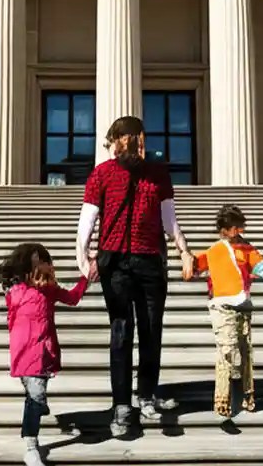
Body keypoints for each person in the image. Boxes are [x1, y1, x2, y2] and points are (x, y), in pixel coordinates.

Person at [75, 115, 195, 437]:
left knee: (151, 330)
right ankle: (121, 406)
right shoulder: (101, 174)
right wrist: (82, 257)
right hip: (115, 263)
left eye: (137, 138)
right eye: (125, 138)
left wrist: (184, 251)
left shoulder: (158, 175)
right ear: (114, 141)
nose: (132, 144)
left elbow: (169, 220)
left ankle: (146, 395)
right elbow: (87, 219)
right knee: (121, 332)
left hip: (150, 262)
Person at [0, 242, 96, 466]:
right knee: (35, 393)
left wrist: (86, 276)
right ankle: (31, 444)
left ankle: (33, 432)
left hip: (44, 351)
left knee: (36, 392)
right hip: (23, 351)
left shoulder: (50, 289)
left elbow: (73, 297)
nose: (44, 267)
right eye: (38, 263)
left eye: (46, 263)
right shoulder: (15, 291)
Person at [186, 205, 263, 418]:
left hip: (243, 305)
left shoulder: (247, 250)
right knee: (227, 349)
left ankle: (247, 396)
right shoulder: (215, 250)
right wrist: (187, 261)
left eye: (240, 227)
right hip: (221, 306)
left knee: (245, 352)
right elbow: (193, 268)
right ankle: (222, 401)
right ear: (224, 229)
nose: (239, 231)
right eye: (235, 227)